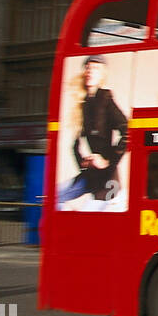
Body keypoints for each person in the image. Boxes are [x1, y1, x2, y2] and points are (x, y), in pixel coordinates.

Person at [57, 56, 128, 208]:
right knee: (54, 197)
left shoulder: (105, 99)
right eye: (88, 68)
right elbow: (75, 144)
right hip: (90, 176)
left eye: (95, 68)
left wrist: (107, 161)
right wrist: (83, 162)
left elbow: (128, 131)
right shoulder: (84, 104)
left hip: (107, 182)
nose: (90, 71)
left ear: (103, 74)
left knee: (90, 214)